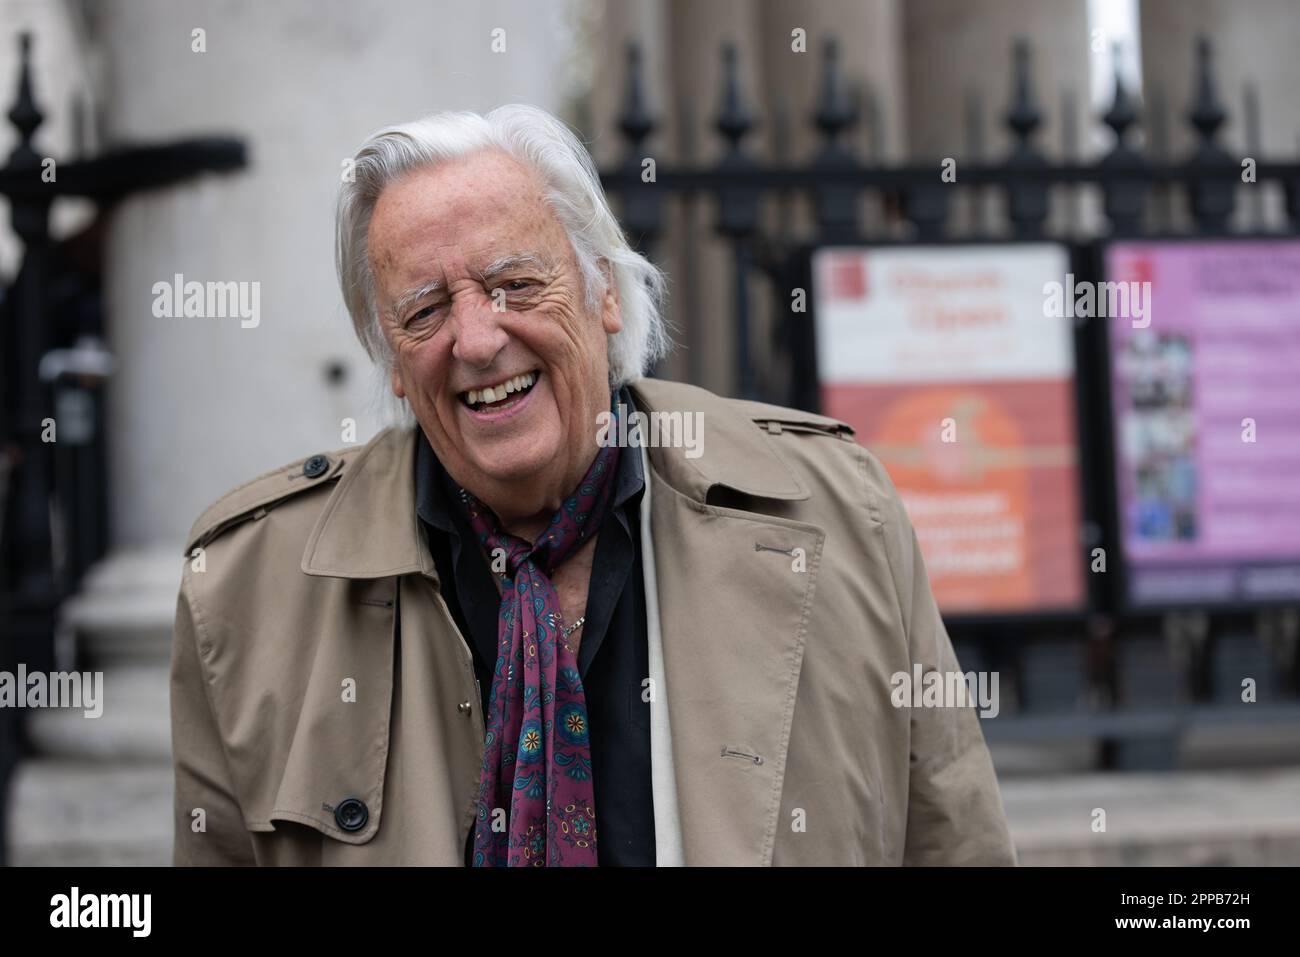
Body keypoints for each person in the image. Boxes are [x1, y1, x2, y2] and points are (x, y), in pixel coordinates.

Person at [170, 104, 1015, 866]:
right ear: (393, 360)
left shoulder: (837, 512)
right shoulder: (248, 590)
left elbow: (954, 841)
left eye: (515, 283)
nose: (474, 338)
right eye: (423, 310)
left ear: (604, 290)